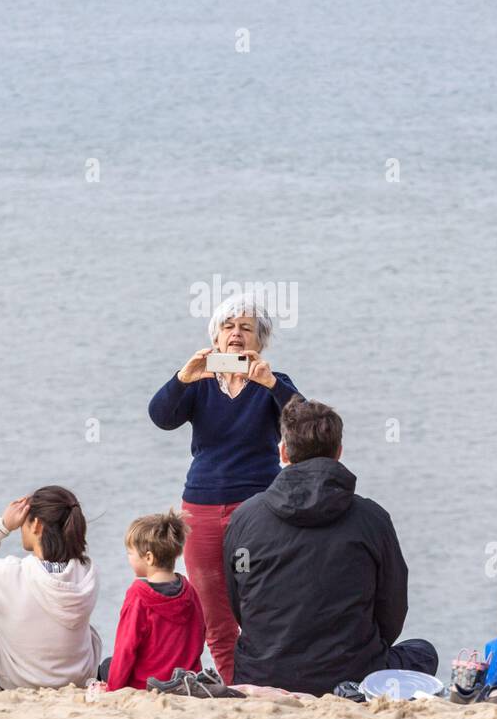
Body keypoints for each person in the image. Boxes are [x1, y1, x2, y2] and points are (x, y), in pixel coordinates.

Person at [224, 397, 437, 695]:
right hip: (351, 672)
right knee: (423, 652)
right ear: (338, 452)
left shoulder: (246, 517)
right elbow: (392, 610)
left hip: (262, 673)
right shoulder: (372, 518)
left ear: (284, 452)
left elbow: (239, 604)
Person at [147, 292, 302, 684]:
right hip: (200, 507)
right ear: (215, 338)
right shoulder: (197, 385)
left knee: (263, 602)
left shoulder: (274, 384)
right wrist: (183, 377)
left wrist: (269, 384)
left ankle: (271, 679)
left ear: (259, 341)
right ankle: (237, 687)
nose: (236, 334)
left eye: (246, 328)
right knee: (215, 613)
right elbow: (160, 417)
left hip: (258, 507)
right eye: (228, 327)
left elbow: (305, 424)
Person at [0, 486, 102, 689]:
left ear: (36, 524)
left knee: (1, 613)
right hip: (78, 680)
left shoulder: (11, 573)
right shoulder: (87, 572)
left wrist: (2, 526)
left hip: (21, 682)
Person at [97, 511, 207, 690]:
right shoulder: (189, 590)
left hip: (148, 683)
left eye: (130, 553)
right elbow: (200, 633)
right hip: (185, 680)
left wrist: (113, 689)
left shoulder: (139, 595)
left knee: (106, 666)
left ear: (148, 557)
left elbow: (126, 648)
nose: (128, 558)